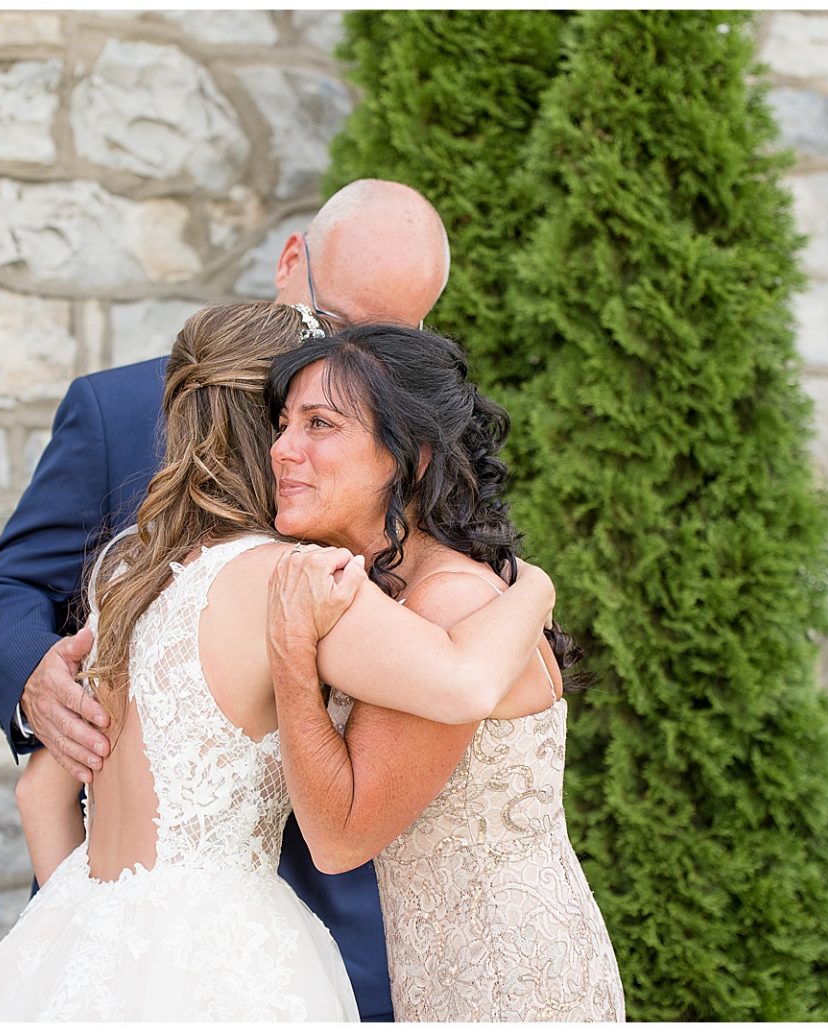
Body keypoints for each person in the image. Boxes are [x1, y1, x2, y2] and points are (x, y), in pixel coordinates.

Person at [0, 302, 558, 1021]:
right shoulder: (288, 580)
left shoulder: (126, 573)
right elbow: (464, 681)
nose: (298, 443)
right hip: (220, 958)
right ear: (267, 425)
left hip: (85, 935)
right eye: (296, 417)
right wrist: (536, 587)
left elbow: (39, 793)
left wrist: (93, 950)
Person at [263, 324, 627, 1021]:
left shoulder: (445, 603)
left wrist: (288, 653)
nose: (282, 448)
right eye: (284, 425)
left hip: (503, 980)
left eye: (320, 424)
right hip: (459, 967)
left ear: (412, 453)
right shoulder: (408, 591)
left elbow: (339, 839)